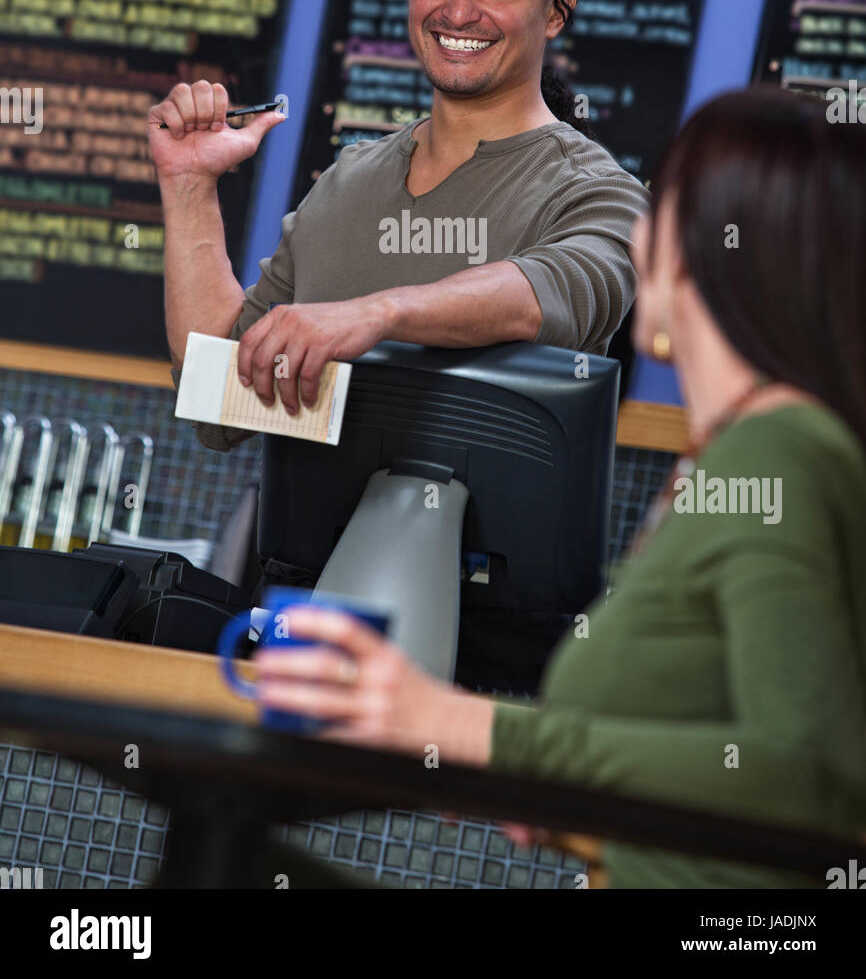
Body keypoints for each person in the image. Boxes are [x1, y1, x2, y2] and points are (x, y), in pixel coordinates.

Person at [253, 87, 866, 889]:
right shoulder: (734, 456)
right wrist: (545, 788)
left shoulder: (779, 453)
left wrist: (463, 727)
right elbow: (704, 771)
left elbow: (808, 775)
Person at [149, 0, 650, 690]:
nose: (458, 8)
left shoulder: (598, 192)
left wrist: (374, 316)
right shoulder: (350, 181)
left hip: (500, 679)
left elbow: (549, 295)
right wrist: (188, 188)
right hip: (303, 633)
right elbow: (217, 399)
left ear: (556, 12)